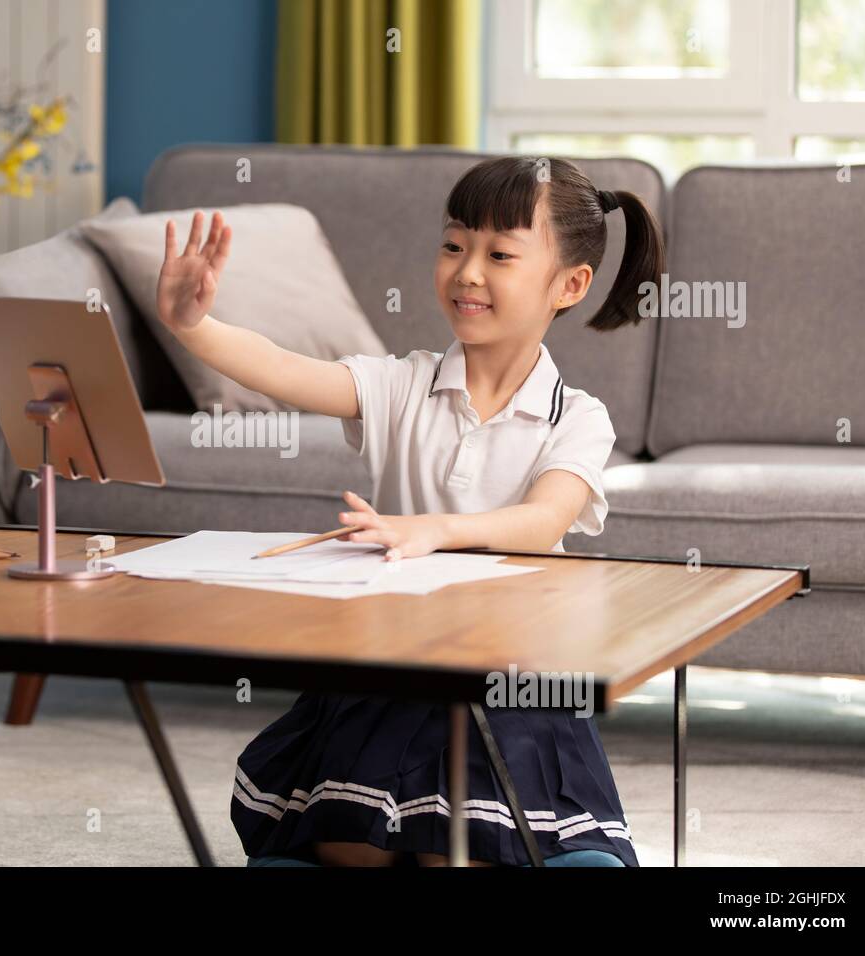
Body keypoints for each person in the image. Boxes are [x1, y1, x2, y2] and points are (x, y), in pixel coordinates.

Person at [155, 155, 665, 867]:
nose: (468, 271)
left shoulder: (577, 419)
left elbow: (544, 520)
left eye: (500, 254)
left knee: (463, 852)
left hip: (509, 683)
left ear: (570, 285)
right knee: (350, 848)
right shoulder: (400, 385)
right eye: (454, 244)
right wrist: (192, 325)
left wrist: (434, 532)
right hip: (388, 672)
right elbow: (285, 370)